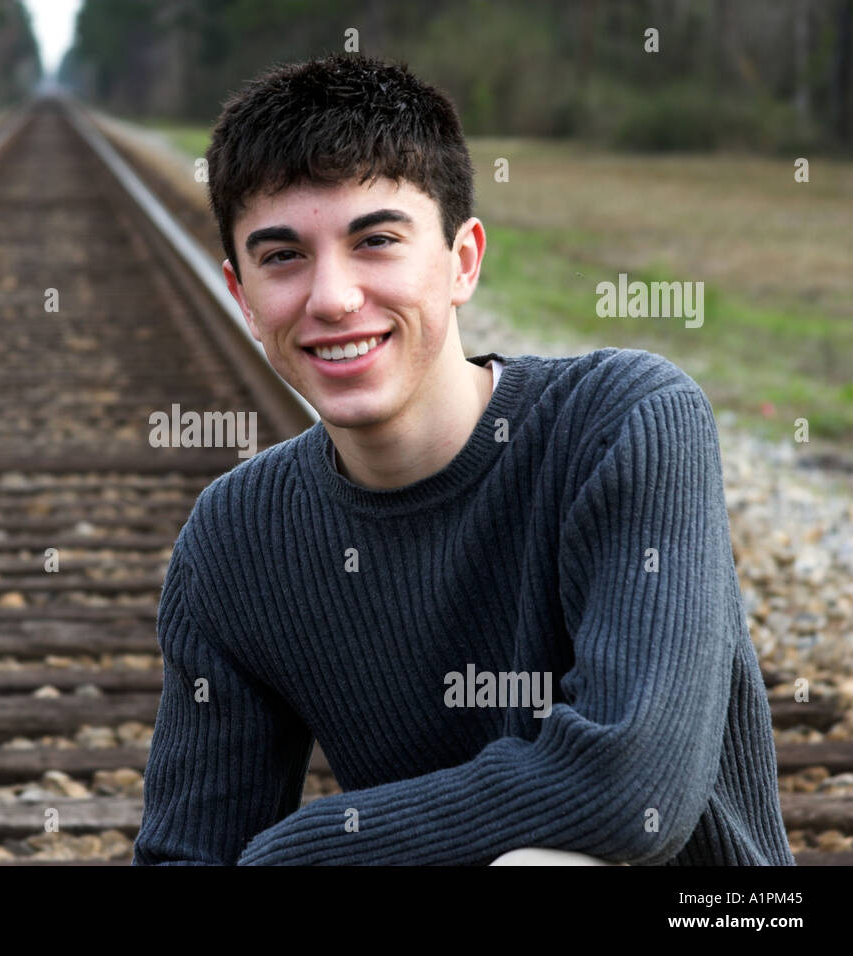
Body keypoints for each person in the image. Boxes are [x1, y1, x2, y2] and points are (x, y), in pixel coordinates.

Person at [131, 53, 794, 866]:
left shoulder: (624, 420)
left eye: (376, 241)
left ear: (463, 261)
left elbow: (630, 796)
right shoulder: (236, 537)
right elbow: (189, 852)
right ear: (242, 295)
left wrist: (293, 854)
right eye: (283, 257)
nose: (332, 297)